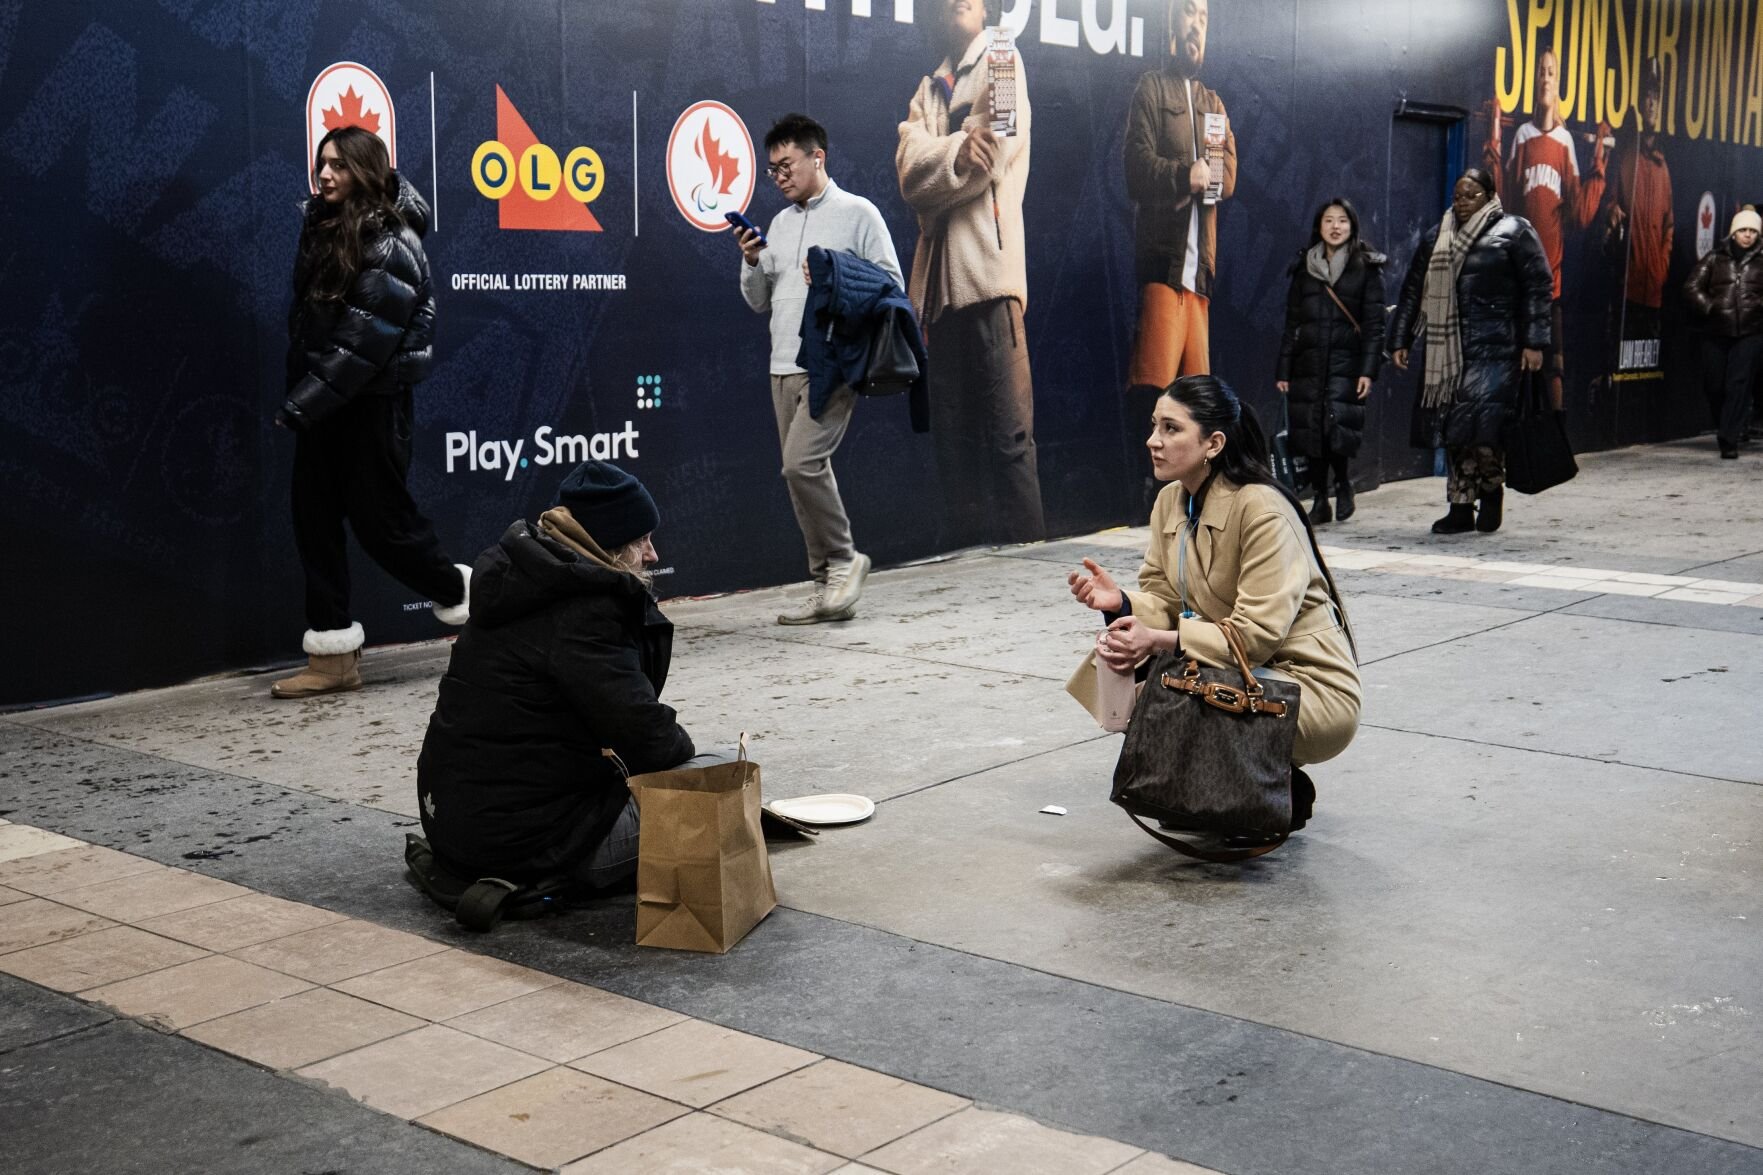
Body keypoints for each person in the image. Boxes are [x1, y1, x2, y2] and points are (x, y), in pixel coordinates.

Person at [1065, 375, 1360, 828]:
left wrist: (1158, 639)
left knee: (1169, 681)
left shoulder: (1262, 508)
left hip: (1306, 688)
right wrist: (1121, 604)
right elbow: (1165, 597)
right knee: (1129, 658)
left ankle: (1272, 790)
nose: (1153, 441)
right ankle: (1224, 787)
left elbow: (1254, 637)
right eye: (1153, 426)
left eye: (1170, 428)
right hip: (1240, 670)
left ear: (1214, 442)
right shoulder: (1170, 502)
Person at [416, 461, 723, 892]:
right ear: (609, 547)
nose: (653, 555)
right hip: (527, 850)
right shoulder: (585, 611)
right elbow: (650, 741)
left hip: (452, 828)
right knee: (724, 772)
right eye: (641, 541)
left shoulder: (517, 577)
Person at [272, 125, 470, 699]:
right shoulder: (326, 226)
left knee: (384, 528)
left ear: (368, 171)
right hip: (326, 405)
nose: (325, 174)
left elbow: (364, 344)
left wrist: (301, 403)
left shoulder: (390, 239)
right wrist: (310, 402)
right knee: (314, 522)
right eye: (321, 164)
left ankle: (466, 598)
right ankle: (333, 655)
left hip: (368, 406)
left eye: (338, 164)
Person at [734, 113, 904, 624]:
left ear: (817, 157)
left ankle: (846, 559)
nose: (780, 176)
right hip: (781, 365)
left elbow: (890, 285)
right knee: (798, 476)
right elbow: (758, 302)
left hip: (833, 362)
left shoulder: (859, 213)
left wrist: (837, 269)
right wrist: (750, 262)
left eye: (786, 164)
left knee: (800, 464)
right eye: (772, 170)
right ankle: (826, 587)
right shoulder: (780, 225)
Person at [897, 0, 1046, 547]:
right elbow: (909, 176)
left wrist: (941, 167)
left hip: (991, 280)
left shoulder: (1003, 58)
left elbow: (997, 153)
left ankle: (1032, 578)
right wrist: (959, 148)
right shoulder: (927, 87)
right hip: (939, 296)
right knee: (954, 451)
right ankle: (967, 583)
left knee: (1010, 442)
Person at [1389, 168, 1553, 535]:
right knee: (1454, 428)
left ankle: (1491, 492)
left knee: (1485, 430)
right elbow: (1414, 291)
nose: (1462, 202)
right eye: (1458, 196)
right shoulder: (1437, 236)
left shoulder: (1514, 231)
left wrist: (1535, 342)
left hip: (1498, 347)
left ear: (1490, 195)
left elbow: (1538, 287)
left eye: (1471, 195)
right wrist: (1400, 340)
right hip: (1447, 352)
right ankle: (1460, 505)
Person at [1122, 0, 1236, 515]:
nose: (1197, 26)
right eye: (1189, 13)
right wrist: (1182, 175)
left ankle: (1193, 496)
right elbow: (1135, 167)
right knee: (1154, 390)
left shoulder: (1214, 102)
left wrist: (1210, 176)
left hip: (1200, 274)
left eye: (1205, 18)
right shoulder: (1151, 88)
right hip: (1163, 265)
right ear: (1170, 21)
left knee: (1195, 399)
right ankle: (1145, 496)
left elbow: (1228, 174)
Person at [1484, 47, 1607, 411]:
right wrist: (1494, 136)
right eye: (1540, 71)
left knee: (1553, 366)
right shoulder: (1522, 135)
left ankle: (1553, 440)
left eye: (1551, 72)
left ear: (1559, 83)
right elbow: (1502, 196)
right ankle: (1508, 437)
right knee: (1509, 363)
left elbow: (1581, 213)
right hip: (1515, 279)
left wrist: (1600, 160)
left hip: (1550, 280)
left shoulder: (1566, 143)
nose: (1545, 77)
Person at [1274, 198, 1387, 524]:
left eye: (1342, 221)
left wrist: (1368, 370)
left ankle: (1343, 484)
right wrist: (1284, 369)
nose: (1335, 227)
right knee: (1311, 431)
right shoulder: (1304, 269)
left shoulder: (1366, 267)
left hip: (1346, 362)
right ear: (1319, 227)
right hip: (1307, 363)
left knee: (1336, 425)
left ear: (1352, 226)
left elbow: (1374, 326)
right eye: (1328, 220)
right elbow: (1291, 324)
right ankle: (1321, 498)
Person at [1601, 60, 1673, 354]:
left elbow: (1669, 225)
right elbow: (1611, 201)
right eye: (1647, 96)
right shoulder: (1627, 158)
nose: (1652, 103)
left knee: (1646, 370)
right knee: (1621, 362)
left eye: (1656, 96)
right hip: (1626, 287)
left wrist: (1661, 270)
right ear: (1641, 104)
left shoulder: (1664, 167)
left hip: (1653, 292)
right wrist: (1612, 212)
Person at [1682, 208, 1763, 459]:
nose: (1747, 235)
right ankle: (1727, 425)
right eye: (1743, 230)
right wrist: (1710, 306)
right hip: (1716, 330)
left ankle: (1728, 439)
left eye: (1752, 231)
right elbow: (1691, 286)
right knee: (1714, 384)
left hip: (1751, 331)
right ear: (1733, 233)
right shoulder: (1716, 258)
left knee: (1738, 384)